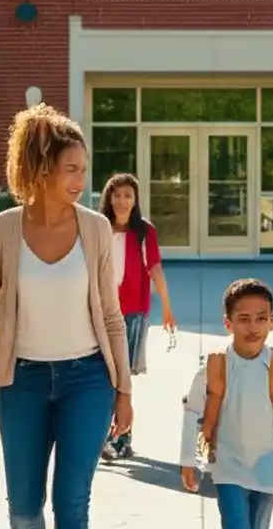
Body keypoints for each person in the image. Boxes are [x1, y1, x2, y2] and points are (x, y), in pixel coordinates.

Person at [0, 103, 133, 529]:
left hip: (88, 380)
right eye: (71, 169)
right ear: (43, 168)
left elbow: (111, 315)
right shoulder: (4, 229)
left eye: (84, 170)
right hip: (22, 381)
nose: (81, 181)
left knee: (72, 506)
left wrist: (123, 389)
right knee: (24, 508)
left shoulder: (96, 229)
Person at [179, 278, 273, 529]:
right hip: (228, 466)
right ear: (228, 323)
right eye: (244, 319)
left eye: (261, 318)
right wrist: (188, 460)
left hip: (268, 467)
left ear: (271, 322)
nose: (253, 327)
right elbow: (192, 410)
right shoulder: (216, 366)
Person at [99, 172, 177, 460]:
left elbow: (155, 268)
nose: (122, 201)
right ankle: (110, 436)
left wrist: (167, 307)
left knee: (123, 376)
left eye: (128, 195)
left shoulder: (144, 231)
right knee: (104, 374)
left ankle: (119, 438)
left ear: (135, 200)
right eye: (117, 195)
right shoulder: (99, 228)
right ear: (108, 198)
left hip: (133, 311)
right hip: (103, 311)